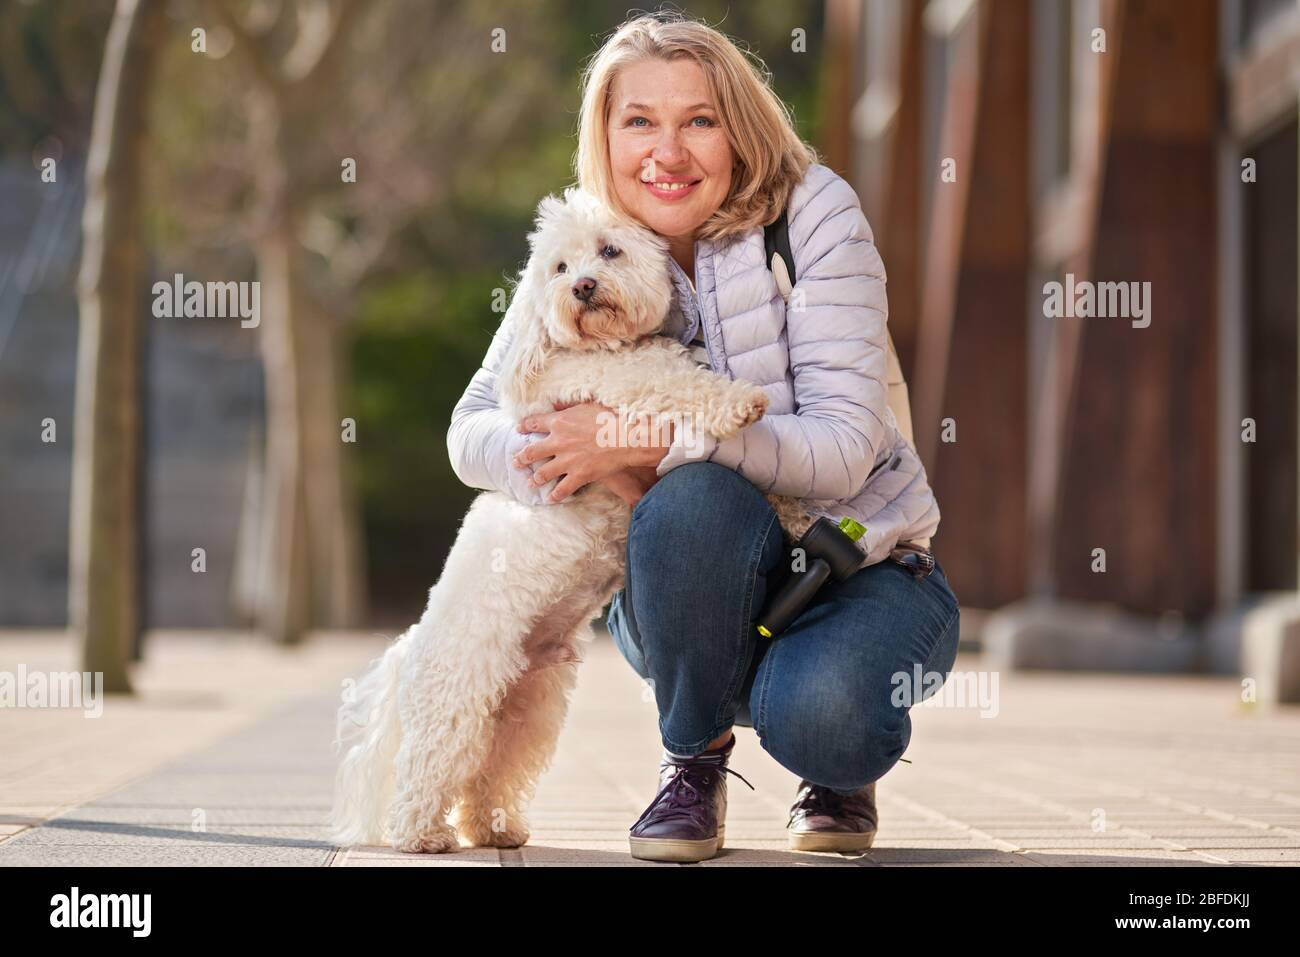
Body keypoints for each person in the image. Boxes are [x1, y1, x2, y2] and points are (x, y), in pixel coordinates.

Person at [447, 11, 961, 863]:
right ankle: (693, 758)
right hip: (692, 581)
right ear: (604, 138)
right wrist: (562, 454)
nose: (668, 152)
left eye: (699, 121)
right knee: (689, 505)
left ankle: (824, 740)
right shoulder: (588, 242)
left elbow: (842, 451)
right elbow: (473, 428)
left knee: (825, 714)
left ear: (740, 128)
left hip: (858, 561)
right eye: (639, 121)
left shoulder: (815, 215)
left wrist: (637, 443)